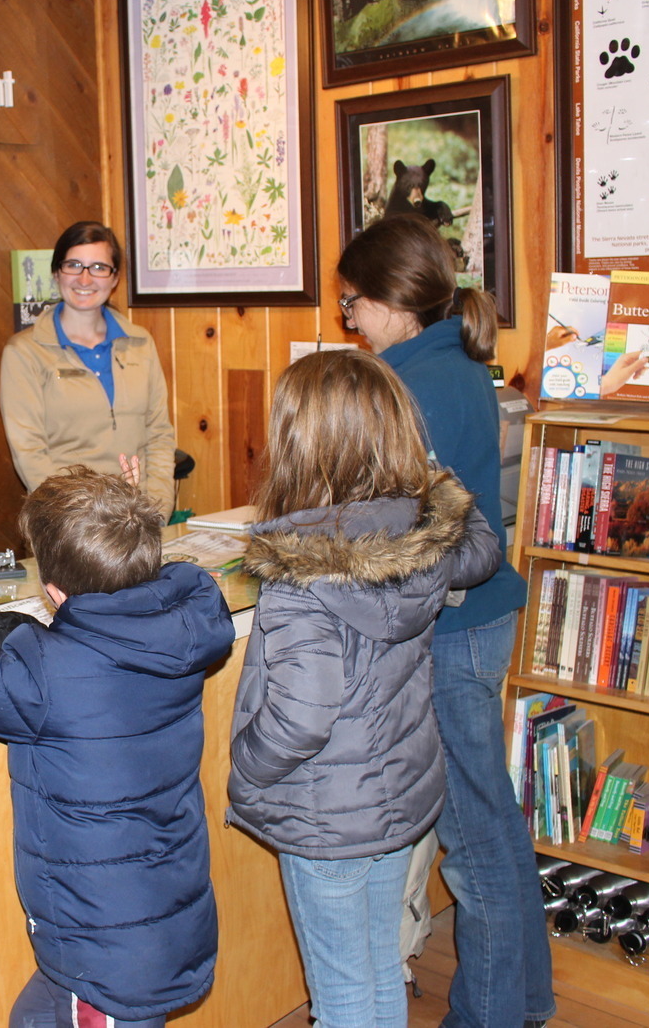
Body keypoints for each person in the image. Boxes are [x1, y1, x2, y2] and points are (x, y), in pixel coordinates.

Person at [227, 349, 501, 1028]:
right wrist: (433, 483)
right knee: (378, 971)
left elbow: (299, 718)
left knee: (344, 996)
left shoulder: (299, 573)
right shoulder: (422, 537)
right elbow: (482, 547)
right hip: (397, 798)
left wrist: (248, 767)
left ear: (298, 446)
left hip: (326, 815)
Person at [0, 466, 234, 1027]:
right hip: (152, 914)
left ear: (54, 592)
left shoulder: (46, 672)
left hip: (104, 951)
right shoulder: (180, 631)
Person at [337, 213, 554, 1028]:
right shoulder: (460, 362)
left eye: (353, 303)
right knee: (493, 819)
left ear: (394, 300)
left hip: (451, 628)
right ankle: (526, 998)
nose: (350, 322)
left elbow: (397, 524)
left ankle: (492, 1014)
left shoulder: (408, 384)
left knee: (474, 839)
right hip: (482, 616)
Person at [0, 221, 177, 520]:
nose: (85, 278)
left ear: (115, 278)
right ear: (57, 273)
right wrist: (79, 520)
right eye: (74, 265)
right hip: (66, 523)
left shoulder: (140, 344)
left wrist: (155, 508)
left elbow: (159, 435)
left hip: (137, 517)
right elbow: (30, 453)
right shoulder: (24, 353)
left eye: (98, 267)